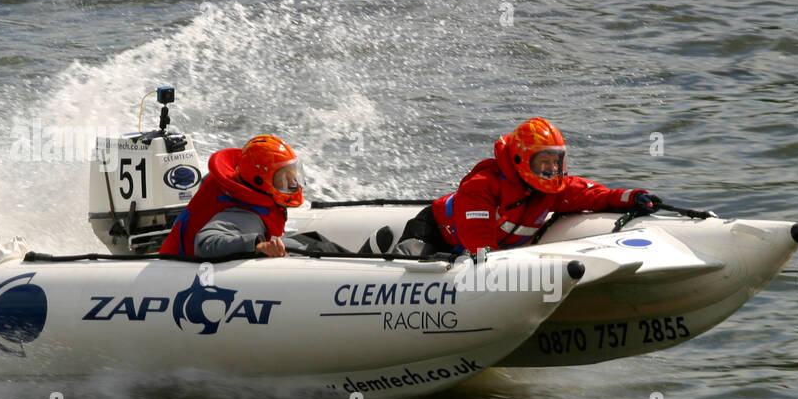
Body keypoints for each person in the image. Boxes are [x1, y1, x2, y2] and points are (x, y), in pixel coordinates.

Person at [392, 118, 659, 256]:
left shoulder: (553, 189)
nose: (552, 170)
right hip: (432, 234)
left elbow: (593, 196)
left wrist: (631, 197)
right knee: (414, 262)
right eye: (544, 162)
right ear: (521, 159)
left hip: (476, 253)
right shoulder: (482, 186)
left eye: (556, 161)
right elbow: (479, 244)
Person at [159, 135, 353, 258]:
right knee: (305, 247)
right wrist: (258, 245)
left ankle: (363, 256)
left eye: (293, 176)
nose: (293, 184)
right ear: (260, 180)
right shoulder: (243, 215)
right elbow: (205, 243)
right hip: (186, 271)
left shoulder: (241, 194)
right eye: (284, 178)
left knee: (313, 240)